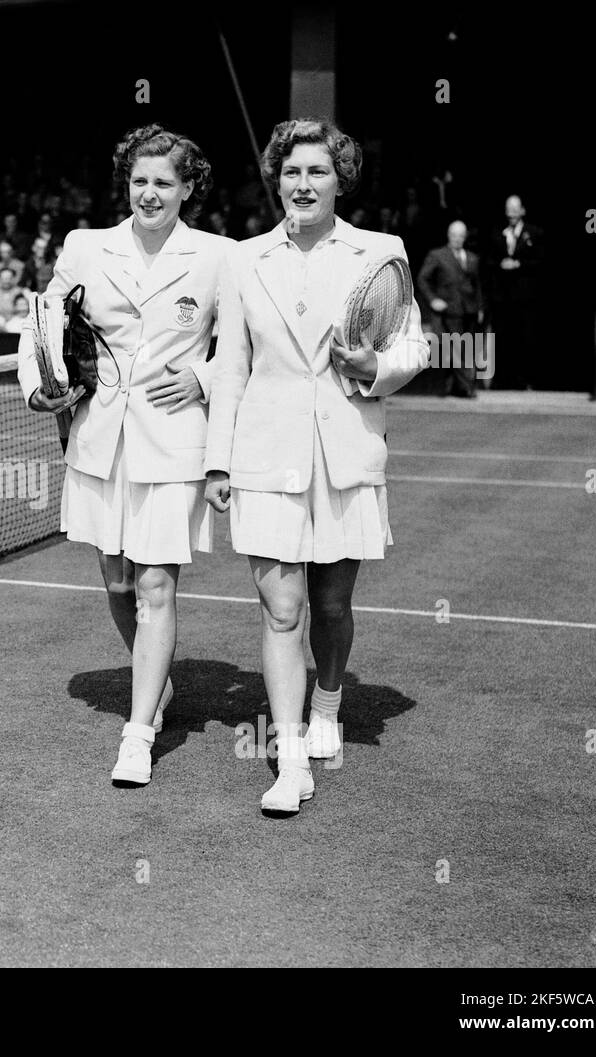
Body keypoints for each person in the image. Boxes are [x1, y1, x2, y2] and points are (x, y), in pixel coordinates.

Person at [204, 118, 429, 815]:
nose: (302, 184)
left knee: (330, 604)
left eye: (317, 172)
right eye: (292, 171)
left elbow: (413, 346)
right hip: (264, 455)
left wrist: (376, 368)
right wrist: (218, 461)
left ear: (340, 180)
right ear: (278, 178)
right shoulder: (242, 259)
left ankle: (328, 702)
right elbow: (231, 365)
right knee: (282, 607)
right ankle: (291, 757)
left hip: (345, 450)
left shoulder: (380, 252)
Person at [20, 124, 234, 788]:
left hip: (175, 439)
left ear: (188, 188)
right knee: (116, 580)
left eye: (164, 182)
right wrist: (39, 388)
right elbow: (41, 322)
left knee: (155, 583)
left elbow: (246, 347)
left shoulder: (220, 255)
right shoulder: (86, 247)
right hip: (99, 438)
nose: (150, 193)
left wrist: (204, 375)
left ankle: (138, 732)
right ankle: (158, 682)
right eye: (140, 181)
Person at [416, 220, 484, 397]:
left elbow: (477, 285)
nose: (457, 239)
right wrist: (433, 300)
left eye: (461, 235)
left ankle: (458, 387)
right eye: (454, 235)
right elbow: (423, 279)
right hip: (448, 311)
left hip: (469, 310)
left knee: (467, 348)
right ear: (448, 235)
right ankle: (466, 387)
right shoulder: (437, 255)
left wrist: (481, 307)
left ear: (465, 237)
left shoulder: (472, 258)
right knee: (454, 348)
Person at [486, 195, 543, 389]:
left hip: (525, 297)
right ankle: (502, 380)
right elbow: (488, 261)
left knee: (526, 338)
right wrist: (501, 263)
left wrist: (519, 264)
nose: (511, 212)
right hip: (502, 297)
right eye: (508, 208)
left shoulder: (534, 233)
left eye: (515, 208)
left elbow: (541, 262)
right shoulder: (497, 233)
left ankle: (526, 380)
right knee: (502, 337)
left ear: (522, 211)